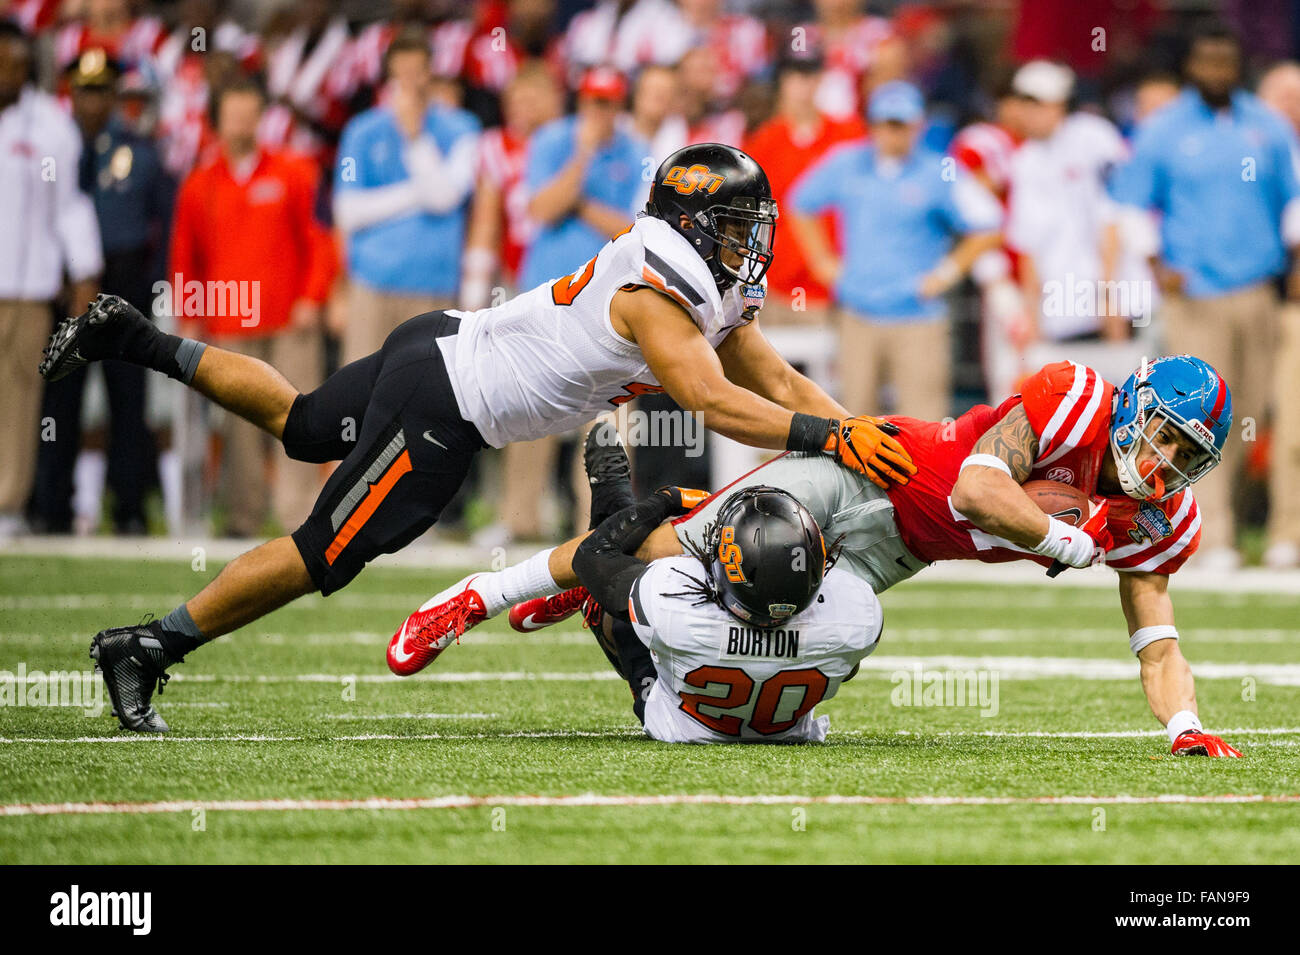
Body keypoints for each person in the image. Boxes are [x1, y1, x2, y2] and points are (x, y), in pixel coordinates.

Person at [40, 142, 914, 733]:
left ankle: (132, 336)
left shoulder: (702, 285)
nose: (745, 244)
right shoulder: (660, 283)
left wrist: (865, 435)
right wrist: (827, 439)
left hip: (445, 340)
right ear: (689, 224)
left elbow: (780, 381)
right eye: (732, 225)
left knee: (305, 422)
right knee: (324, 554)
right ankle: (149, 644)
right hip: (449, 405)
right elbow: (711, 399)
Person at [440, 355, 1243, 758]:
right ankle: (485, 592)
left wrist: (1185, 723)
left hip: (902, 549)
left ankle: (598, 597)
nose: (1167, 461)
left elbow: (1159, 640)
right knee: (670, 553)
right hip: (871, 473)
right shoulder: (1074, 397)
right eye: (1165, 434)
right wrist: (1063, 537)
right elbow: (975, 491)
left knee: (778, 640)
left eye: (1189, 455)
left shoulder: (1158, 516)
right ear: (1136, 406)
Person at [1110, 25, 1300, 570]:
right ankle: (1213, 534)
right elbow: (1130, 203)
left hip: (1259, 289)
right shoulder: (1164, 129)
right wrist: (1155, 264)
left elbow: (1292, 202)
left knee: (1258, 413)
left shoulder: (1266, 125)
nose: (1217, 71)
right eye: (1207, 62)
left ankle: (1255, 527)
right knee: (1194, 417)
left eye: (1226, 62)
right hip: (1195, 293)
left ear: (1238, 66)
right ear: (1192, 67)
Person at [566, 424, 882, 743]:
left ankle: (607, 513)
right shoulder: (854, 614)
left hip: (685, 722)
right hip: (784, 727)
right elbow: (846, 668)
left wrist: (667, 500)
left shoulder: (676, 601)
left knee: (613, 602)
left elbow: (593, 556)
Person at [167, 78, 336, 537]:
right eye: (233, 113)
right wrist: (189, 311)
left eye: (250, 112)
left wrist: (313, 296)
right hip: (229, 321)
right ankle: (243, 515)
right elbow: (186, 254)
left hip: (289, 320)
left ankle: (300, 516)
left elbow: (320, 239)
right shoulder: (198, 184)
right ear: (217, 120)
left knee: (303, 417)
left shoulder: (295, 170)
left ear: (262, 116)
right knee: (240, 427)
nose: (242, 121)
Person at [789, 80, 1001, 421]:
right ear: (872, 125)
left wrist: (946, 273)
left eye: (902, 124)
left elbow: (988, 223)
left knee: (924, 422)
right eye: (886, 124)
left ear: (918, 126)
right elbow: (801, 202)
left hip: (917, 315)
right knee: (852, 419)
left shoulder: (938, 171)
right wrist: (822, 261)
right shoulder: (847, 163)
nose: (893, 133)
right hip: (858, 310)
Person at [29, 49, 170, 535]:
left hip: (124, 283)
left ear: (114, 95)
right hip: (62, 286)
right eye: (84, 90)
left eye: (102, 90)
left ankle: (129, 508)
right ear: (70, 93)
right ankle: (50, 507)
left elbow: (162, 224)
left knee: (128, 401)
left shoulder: (139, 151)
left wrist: (155, 288)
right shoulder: (50, 145)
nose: (92, 101)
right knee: (56, 403)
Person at [0, 20, 102, 541]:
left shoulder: (50, 127)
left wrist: (85, 273)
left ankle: (7, 504)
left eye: (16, 64)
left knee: (19, 401)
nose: (7, 73)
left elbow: (69, 207)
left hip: (26, 290)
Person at [333, 31, 479, 365]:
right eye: (401, 73)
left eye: (417, 71)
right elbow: (348, 213)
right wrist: (419, 193)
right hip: (371, 284)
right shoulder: (360, 131)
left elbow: (445, 199)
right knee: (362, 392)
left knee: (426, 395)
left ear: (430, 73)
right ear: (388, 76)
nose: (409, 82)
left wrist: (415, 138)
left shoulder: (463, 128)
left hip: (434, 286)